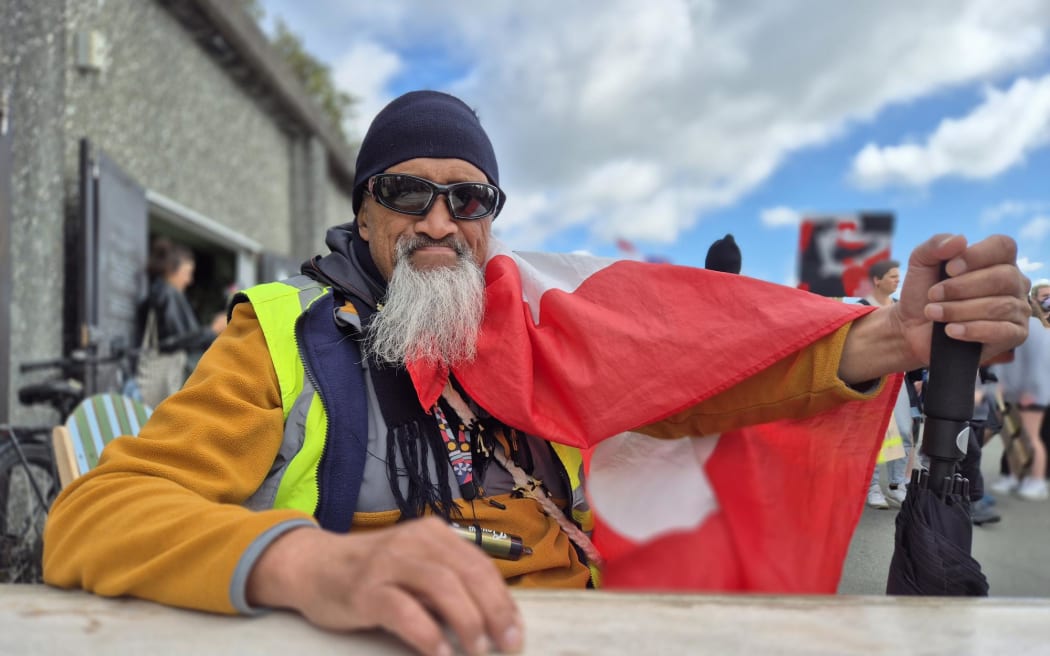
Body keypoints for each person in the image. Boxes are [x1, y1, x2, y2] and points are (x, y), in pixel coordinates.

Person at [43, 90, 1030, 656]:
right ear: (365, 210)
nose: (439, 221)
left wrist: (894, 338)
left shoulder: (535, 328)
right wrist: (313, 564)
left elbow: (708, 375)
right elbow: (96, 513)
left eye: (468, 199)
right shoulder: (282, 336)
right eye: (407, 192)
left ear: (491, 217)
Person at [856, 260, 923, 509]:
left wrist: (916, 376)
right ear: (877, 280)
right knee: (875, 433)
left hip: (899, 379)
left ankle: (897, 485)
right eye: (893, 276)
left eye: (898, 276)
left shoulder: (901, 309)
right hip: (871, 379)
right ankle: (872, 487)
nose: (898, 280)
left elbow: (912, 344)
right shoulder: (861, 308)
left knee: (903, 431)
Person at [135, 238, 227, 404]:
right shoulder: (168, 294)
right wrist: (212, 330)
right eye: (188, 273)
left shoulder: (158, 294)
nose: (189, 280)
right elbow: (175, 341)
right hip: (169, 373)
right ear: (172, 269)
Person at [988, 281, 1050, 501]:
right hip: (1015, 391)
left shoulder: (1034, 330)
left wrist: (1029, 390)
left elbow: (1037, 364)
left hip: (1032, 392)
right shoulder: (1019, 328)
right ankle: (1014, 476)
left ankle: (1037, 481)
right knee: (1014, 437)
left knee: (1031, 437)